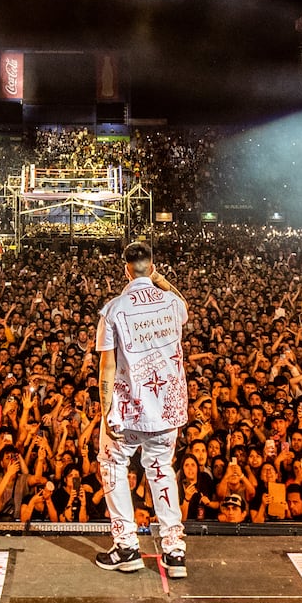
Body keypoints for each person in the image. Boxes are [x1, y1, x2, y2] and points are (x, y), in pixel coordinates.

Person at [93, 241, 190, 578]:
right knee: (162, 468)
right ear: (152, 267)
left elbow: (106, 367)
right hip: (168, 411)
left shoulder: (114, 310)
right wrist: (160, 280)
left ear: (124, 269)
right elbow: (185, 305)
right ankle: (174, 550)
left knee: (112, 465)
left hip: (129, 410)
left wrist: (106, 411)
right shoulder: (172, 303)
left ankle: (126, 546)